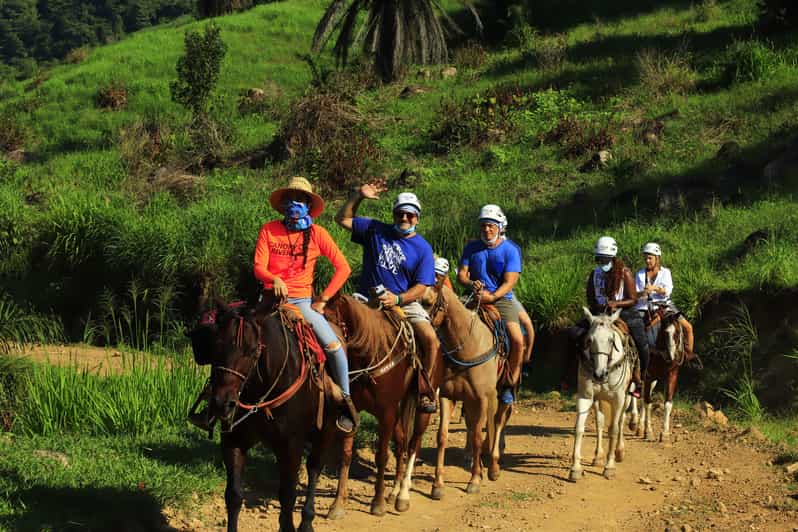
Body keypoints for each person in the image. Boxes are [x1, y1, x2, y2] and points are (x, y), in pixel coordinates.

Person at [253, 176, 356, 433]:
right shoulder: (269, 229)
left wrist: (322, 299)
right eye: (289, 199)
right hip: (269, 301)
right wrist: (273, 278)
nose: (293, 204)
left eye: (299, 200)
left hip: (301, 302)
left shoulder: (319, 233)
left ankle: (344, 402)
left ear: (308, 205)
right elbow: (258, 267)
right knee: (238, 340)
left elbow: (343, 268)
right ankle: (217, 402)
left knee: (333, 347)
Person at [335, 183, 440, 414]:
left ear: (417, 218)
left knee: (431, 339)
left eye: (409, 214)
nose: (404, 217)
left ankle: (425, 389)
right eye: (400, 213)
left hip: (403, 301)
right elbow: (341, 219)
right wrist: (358, 196)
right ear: (393, 215)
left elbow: (423, 286)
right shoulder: (374, 229)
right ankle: (328, 387)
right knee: (334, 331)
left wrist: (399, 300)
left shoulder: (422, 248)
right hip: (365, 298)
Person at [456, 204, 524, 405]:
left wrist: (492, 297)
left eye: (491, 226)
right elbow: (461, 275)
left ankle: (508, 383)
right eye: (484, 226)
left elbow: (510, 281)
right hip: (472, 297)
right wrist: (470, 283)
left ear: (499, 226)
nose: (487, 230)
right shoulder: (471, 247)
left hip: (501, 299)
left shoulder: (511, 250)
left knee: (517, 339)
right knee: (445, 323)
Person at [573, 236, 650, 397]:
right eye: (600, 258)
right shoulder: (594, 274)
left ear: (613, 257)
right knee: (573, 333)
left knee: (642, 343)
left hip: (624, 313)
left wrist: (616, 304)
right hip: (599, 314)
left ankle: (639, 380)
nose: (603, 261)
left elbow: (633, 299)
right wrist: (597, 309)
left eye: (606, 259)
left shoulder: (624, 272)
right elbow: (590, 297)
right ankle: (571, 375)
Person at [635, 242, 696, 361]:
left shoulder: (665, 272)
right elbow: (635, 294)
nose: (647, 261)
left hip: (664, 305)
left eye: (650, 258)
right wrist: (643, 293)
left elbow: (667, 291)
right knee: (639, 333)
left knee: (688, 328)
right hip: (645, 306)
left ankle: (688, 356)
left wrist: (654, 288)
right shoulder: (640, 274)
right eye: (645, 258)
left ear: (657, 258)